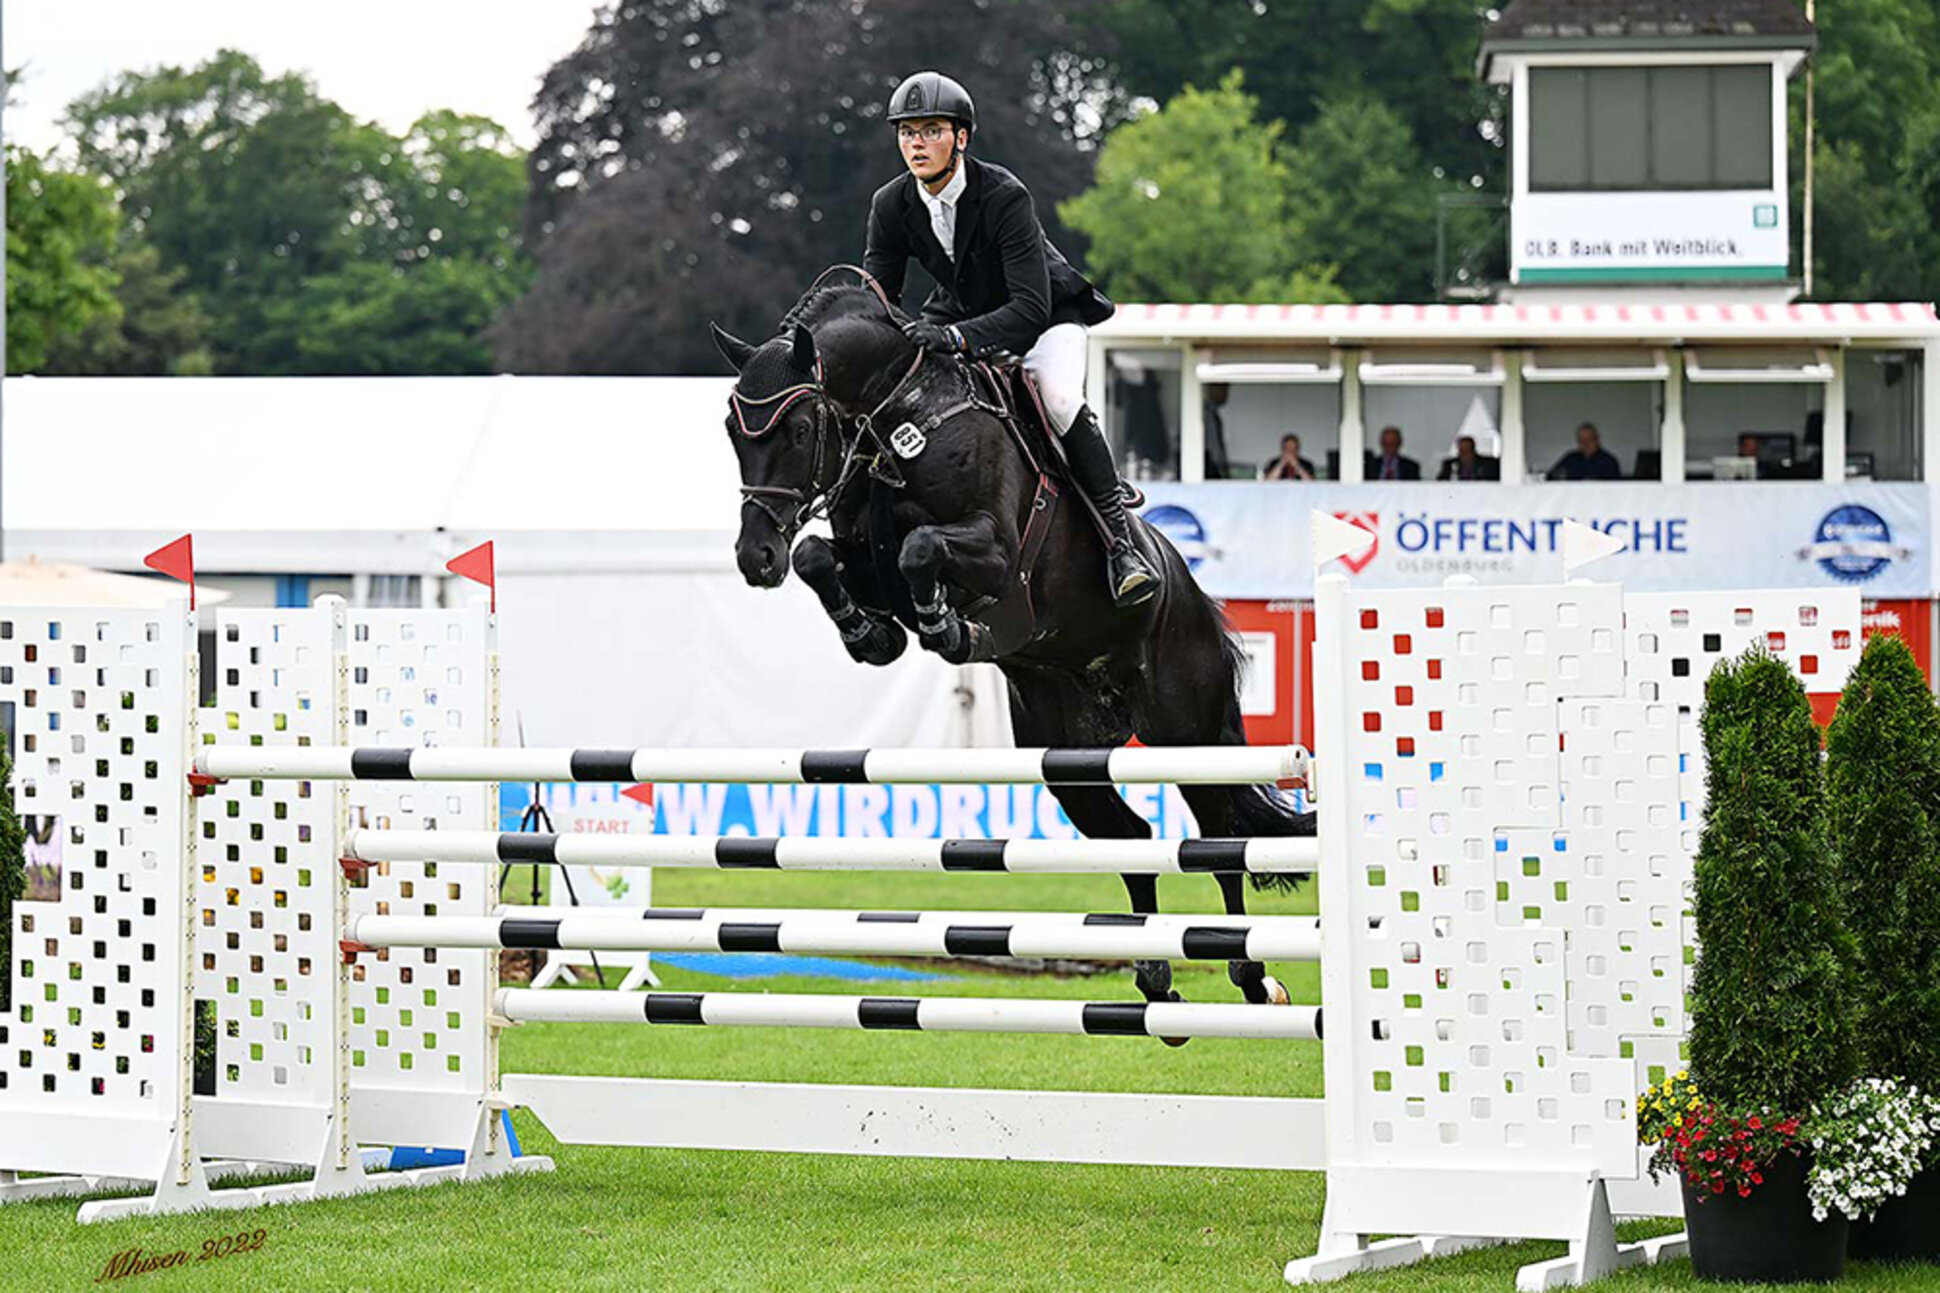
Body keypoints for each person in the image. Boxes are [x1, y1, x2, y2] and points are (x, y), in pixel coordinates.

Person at [862, 70, 1156, 607]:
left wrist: (953, 336)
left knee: (1058, 399)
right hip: (962, 315)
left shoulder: (1003, 195)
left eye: (931, 131)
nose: (916, 144)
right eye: (907, 132)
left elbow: (1028, 308)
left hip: (1045, 318)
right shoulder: (891, 203)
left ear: (961, 138)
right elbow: (879, 299)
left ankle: (1120, 544)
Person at [1548, 422, 1622, 481]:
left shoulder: (1609, 462)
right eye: (1582, 440)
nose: (1585, 444)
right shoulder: (1570, 459)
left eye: (1589, 439)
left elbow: (1615, 488)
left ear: (1597, 440)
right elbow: (1551, 477)